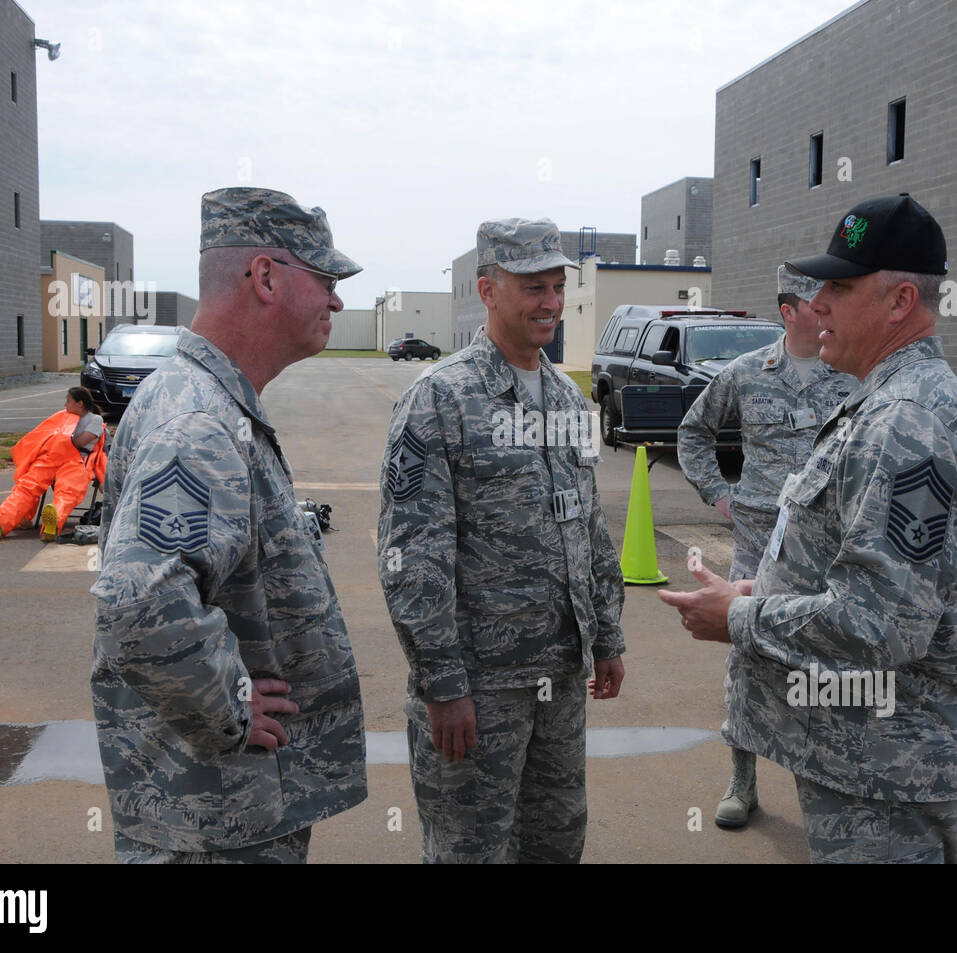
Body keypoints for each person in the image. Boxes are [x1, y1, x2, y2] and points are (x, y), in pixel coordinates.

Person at [660, 193, 957, 863]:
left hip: (884, 774)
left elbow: (883, 624)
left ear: (900, 301)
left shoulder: (907, 423)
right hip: (864, 761)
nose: (818, 305)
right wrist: (762, 591)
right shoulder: (884, 401)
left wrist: (742, 618)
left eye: (840, 287)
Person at [90, 187, 367, 863]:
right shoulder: (200, 422)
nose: (335, 300)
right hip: (213, 823)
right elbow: (138, 600)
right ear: (267, 277)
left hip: (225, 810)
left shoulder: (207, 401)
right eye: (325, 280)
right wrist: (230, 704)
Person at [377, 217, 626, 864]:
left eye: (555, 286)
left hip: (560, 681)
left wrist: (607, 636)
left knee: (556, 837)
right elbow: (412, 558)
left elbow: (589, 527)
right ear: (488, 291)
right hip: (479, 692)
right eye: (532, 288)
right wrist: (441, 682)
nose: (549, 303)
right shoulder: (440, 401)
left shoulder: (570, 403)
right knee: (472, 848)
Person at [677, 267, 854, 829]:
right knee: (747, 654)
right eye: (813, 301)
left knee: (830, 652)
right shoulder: (748, 373)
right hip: (760, 539)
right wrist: (719, 494)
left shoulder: (850, 375)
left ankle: (829, 781)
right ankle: (742, 778)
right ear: (788, 311)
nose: (825, 309)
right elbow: (693, 431)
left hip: (828, 544)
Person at [0, 386, 107, 541]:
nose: (65, 405)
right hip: (51, 457)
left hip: (77, 460)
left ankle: (53, 522)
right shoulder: (62, 417)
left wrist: (61, 437)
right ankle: (0, 520)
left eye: (68, 401)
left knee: (68, 490)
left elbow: (80, 442)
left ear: (80, 404)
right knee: (27, 486)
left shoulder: (95, 420)